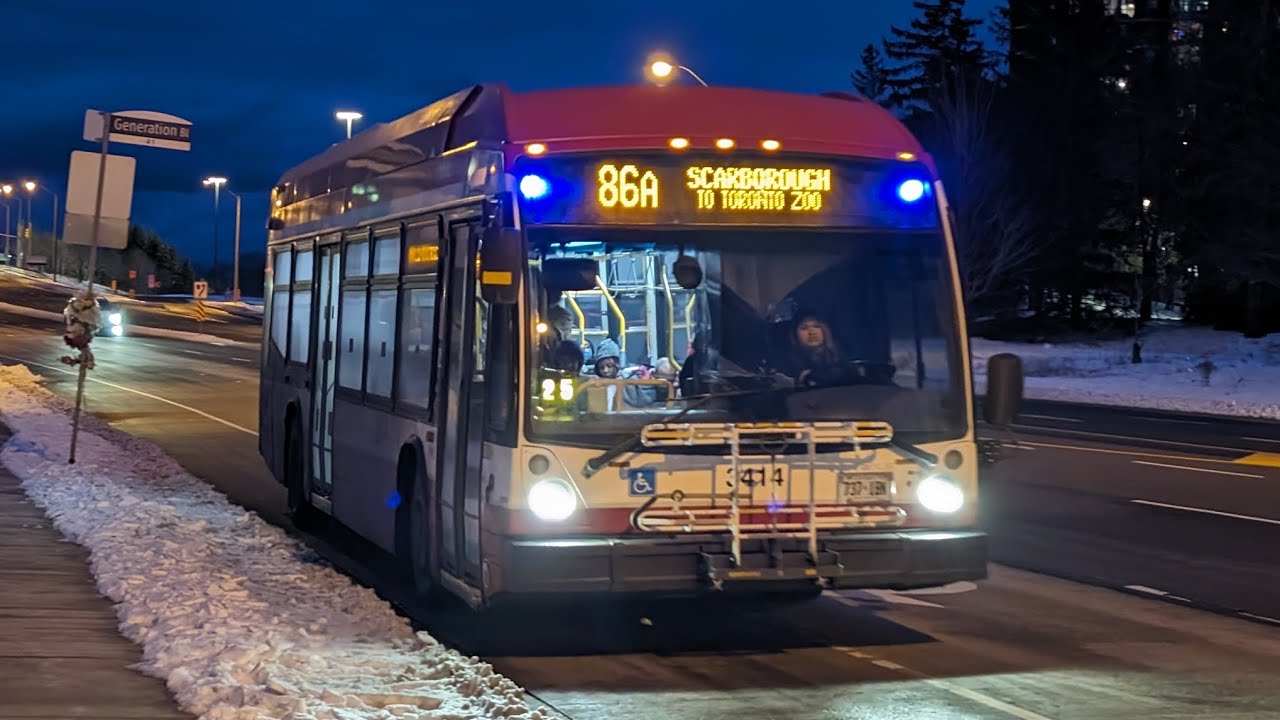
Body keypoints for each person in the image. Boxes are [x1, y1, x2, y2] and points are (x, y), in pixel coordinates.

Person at [786, 313, 847, 387]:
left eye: (816, 326)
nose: (812, 332)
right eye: (804, 328)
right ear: (795, 335)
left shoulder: (841, 360)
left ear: (824, 331)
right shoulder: (789, 367)